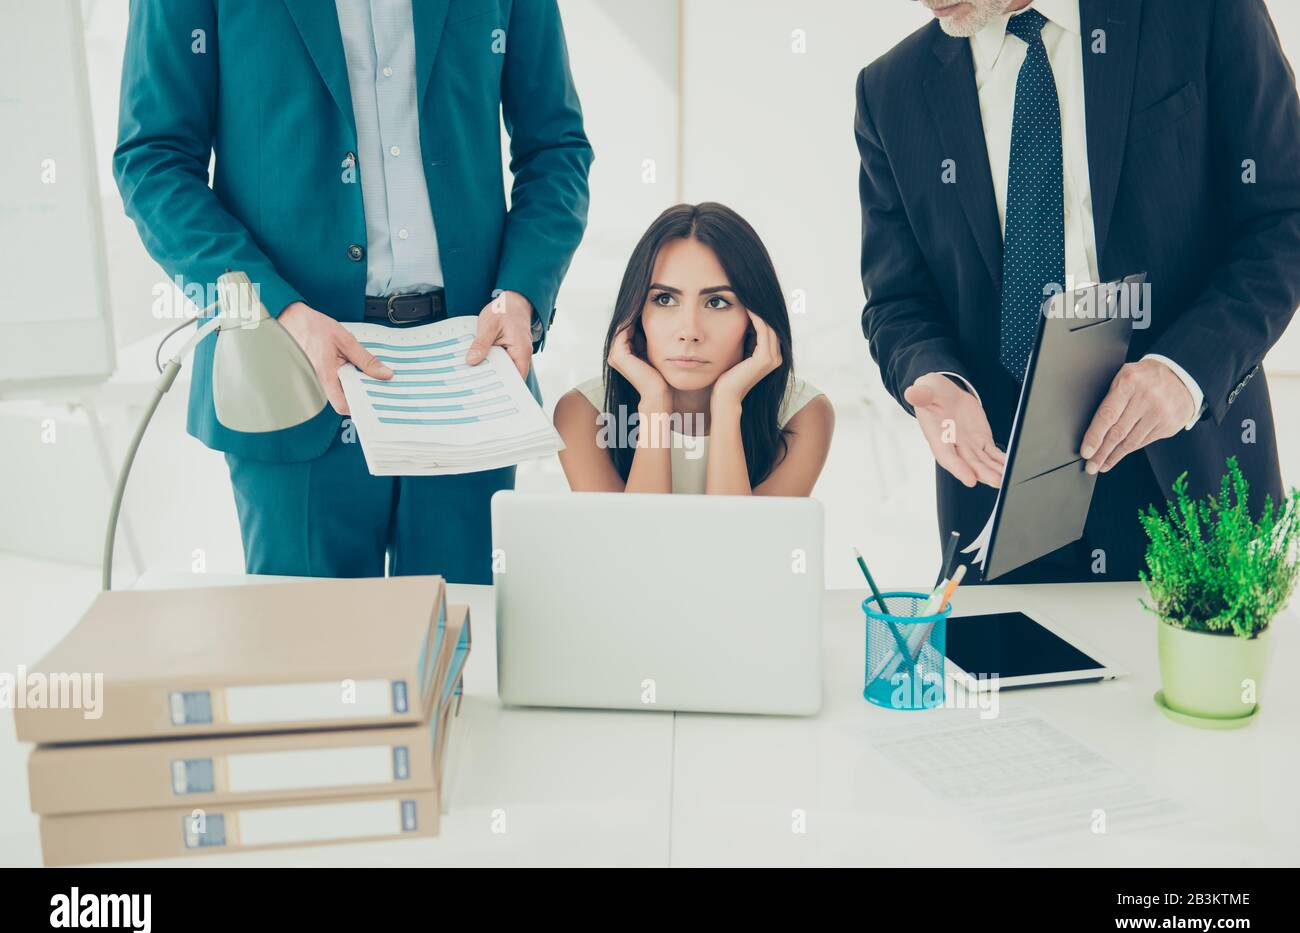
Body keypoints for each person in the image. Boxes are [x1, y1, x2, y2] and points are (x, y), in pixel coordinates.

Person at [113, 0, 592, 583]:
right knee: (313, 658)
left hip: (470, 374)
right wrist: (274, 310)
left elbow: (556, 147)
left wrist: (521, 293)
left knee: (462, 654)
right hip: (291, 370)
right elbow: (153, 161)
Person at [855, 0, 1300, 582]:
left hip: (1194, 470)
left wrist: (1183, 372)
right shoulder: (891, 89)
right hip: (1003, 504)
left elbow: (1283, 217)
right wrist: (936, 376)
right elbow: (897, 299)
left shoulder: (1202, 11)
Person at [554, 203, 834, 495]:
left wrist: (727, 404)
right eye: (664, 299)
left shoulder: (802, 414)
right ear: (635, 314)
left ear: (754, 321)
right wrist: (653, 404)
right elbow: (634, 539)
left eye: (716, 303)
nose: (689, 332)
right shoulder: (583, 413)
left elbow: (739, 540)